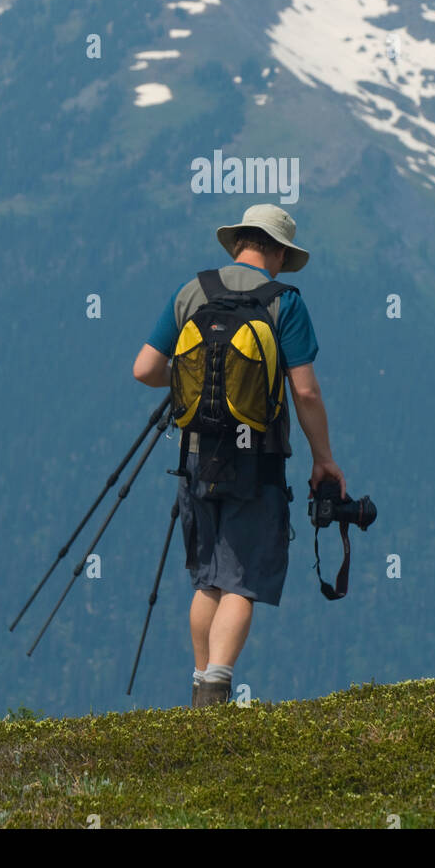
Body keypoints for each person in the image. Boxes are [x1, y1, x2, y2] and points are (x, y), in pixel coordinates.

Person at [132, 203, 346, 707]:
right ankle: (217, 693)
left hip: (195, 457)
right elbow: (306, 392)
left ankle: (198, 686)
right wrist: (324, 459)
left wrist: (193, 383)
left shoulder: (193, 290)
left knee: (207, 578)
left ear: (239, 242)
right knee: (241, 579)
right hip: (258, 459)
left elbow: (145, 369)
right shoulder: (284, 303)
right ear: (275, 250)